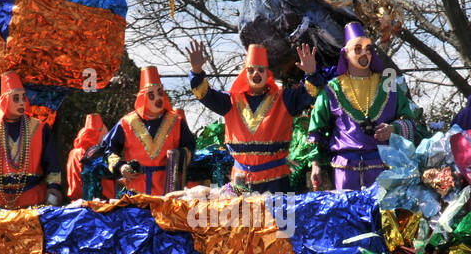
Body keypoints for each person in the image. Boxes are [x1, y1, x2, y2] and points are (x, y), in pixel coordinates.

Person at [186, 39, 321, 193]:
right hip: (241, 182)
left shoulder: (283, 98)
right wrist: (196, 72)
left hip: (276, 181)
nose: (256, 73)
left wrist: (311, 73)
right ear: (245, 73)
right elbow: (204, 94)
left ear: (267, 73)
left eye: (260, 70)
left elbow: (310, 93)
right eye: (251, 70)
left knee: (278, 217)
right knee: (243, 217)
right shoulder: (231, 101)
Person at [308, 22, 424, 191]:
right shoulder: (332, 89)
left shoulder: (388, 86)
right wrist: (315, 164)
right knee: (347, 216)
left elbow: (413, 123)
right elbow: (315, 130)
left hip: (382, 170)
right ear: (346, 54)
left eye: (368, 48)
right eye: (357, 48)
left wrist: (394, 129)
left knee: (382, 217)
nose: (364, 53)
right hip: (344, 172)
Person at [0, 72, 64, 208]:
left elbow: (51, 163)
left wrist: (54, 188)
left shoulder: (39, 128)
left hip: (33, 200)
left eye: (23, 98)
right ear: (5, 101)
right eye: (16, 98)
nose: (21, 103)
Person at [103, 67, 196, 196]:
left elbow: (190, 147)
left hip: (168, 191)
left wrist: (179, 154)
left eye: (160, 92)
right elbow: (109, 148)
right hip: (136, 191)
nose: (158, 98)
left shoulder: (176, 122)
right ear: (143, 98)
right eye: (151, 95)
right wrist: (120, 166)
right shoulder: (127, 122)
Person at [67, 113, 116, 200]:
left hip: (76, 203)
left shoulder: (73, 153)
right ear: (101, 133)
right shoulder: (99, 154)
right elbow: (106, 187)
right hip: (99, 204)